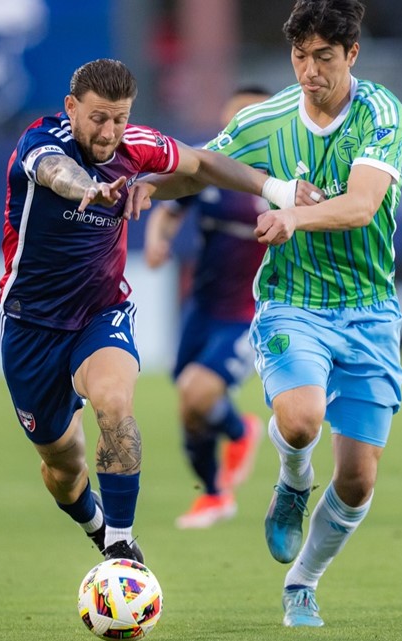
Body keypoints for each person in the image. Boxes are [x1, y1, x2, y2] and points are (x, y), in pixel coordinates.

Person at [133, 0, 402, 627]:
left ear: (353, 55)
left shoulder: (382, 113)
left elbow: (363, 205)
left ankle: (302, 581)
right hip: (293, 301)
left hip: (368, 309)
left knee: (360, 480)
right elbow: (202, 166)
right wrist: (154, 183)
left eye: (325, 58)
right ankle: (291, 478)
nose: (310, 71)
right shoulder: (268, 117)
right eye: (300, 56)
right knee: (303, 417)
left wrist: (291, 213)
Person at [0, 59, 309, 563]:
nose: (110, 131)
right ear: (71, 108)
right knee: (63, 467)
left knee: (115, 404)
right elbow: (58, 175)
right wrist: (90, 189)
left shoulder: (136, 143)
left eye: (119, 118)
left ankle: (121, 545)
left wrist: (275, 190)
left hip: (102, 312)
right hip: (31, 326)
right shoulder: (40, 145)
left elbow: (201, 165)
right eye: (98, 118)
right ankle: (97, 525)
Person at [143, 87, 272, 530]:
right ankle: (217, 487)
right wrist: (157, 240)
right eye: (234, 118)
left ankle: (235, 442)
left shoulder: (286, 180)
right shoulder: (211, 169)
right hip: (201, 306)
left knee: (196, 392)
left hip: (250, 313)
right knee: (189, 399)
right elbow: (169, 210)